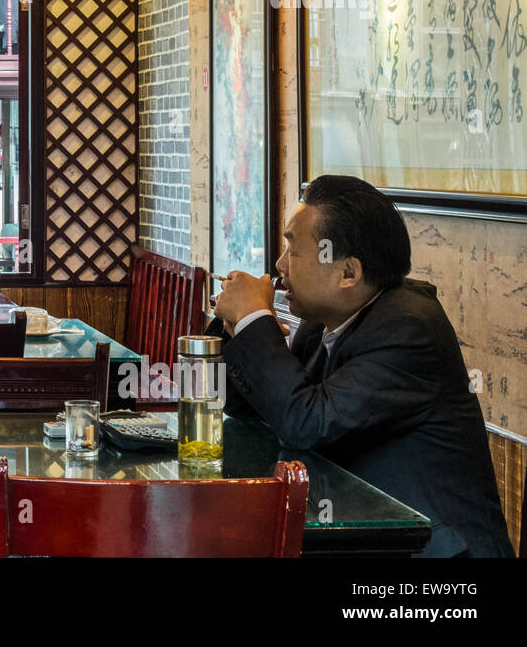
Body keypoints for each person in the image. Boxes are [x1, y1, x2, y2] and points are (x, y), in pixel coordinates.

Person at [211, 175, 513, 557]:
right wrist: (242, 325)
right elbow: (249, 412)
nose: (279, 264)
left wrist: (256, 320)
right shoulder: (321, 321)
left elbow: (306, 423)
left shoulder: (407, 329)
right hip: (359, 539)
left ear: (348, 273)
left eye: (293, 249)